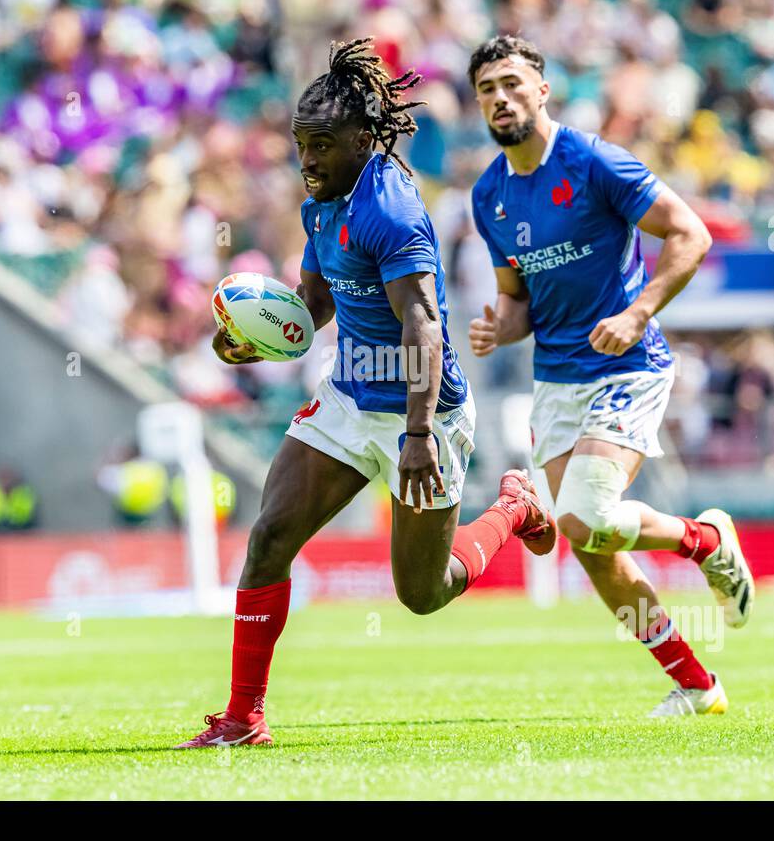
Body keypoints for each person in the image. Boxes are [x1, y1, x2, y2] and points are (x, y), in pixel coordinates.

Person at [177, 38, 555, 748]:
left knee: (423, 593)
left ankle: (514, 505)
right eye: (300, 145)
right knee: (268, 540)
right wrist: (252, 339)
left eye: (321, 145)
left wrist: (416, 440)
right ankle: (242, 718)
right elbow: (314, 305)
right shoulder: (322, 203)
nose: (307, 160)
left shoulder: (389, 208)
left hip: (423, 413)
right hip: (351, 398)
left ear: (360, 140)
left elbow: (425, 327)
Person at [464, 36, 754, 718]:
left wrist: (639, 310)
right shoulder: (489, 197)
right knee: (591, 545)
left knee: (583, 515)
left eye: (511, 83)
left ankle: (703, 541)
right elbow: (518, 301)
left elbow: (690, 235)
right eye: (486, 89)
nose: (500, 98)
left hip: (627, 363)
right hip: (557, 380)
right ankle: (696, 684)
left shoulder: (594, 161)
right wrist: (498, 327)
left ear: (542, 89)